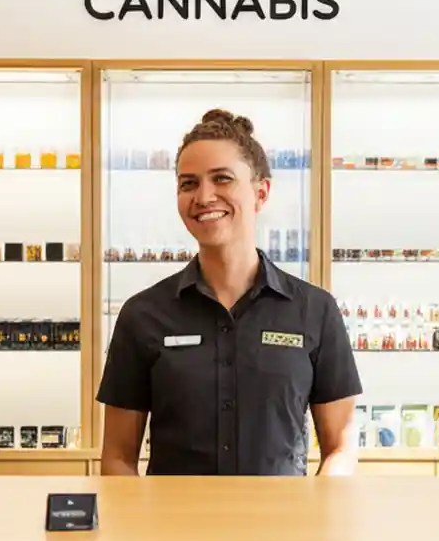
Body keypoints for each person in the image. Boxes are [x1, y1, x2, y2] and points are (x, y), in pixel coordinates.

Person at [99, 109, 362, 476]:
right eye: (188, 184)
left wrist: (315, 515)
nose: (204, 196)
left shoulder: (315, 310)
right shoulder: (143, 315)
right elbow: (117, 457)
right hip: (171, 530)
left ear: (261, 192)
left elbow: (342, 446)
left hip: (283, 529)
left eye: (222, 179)